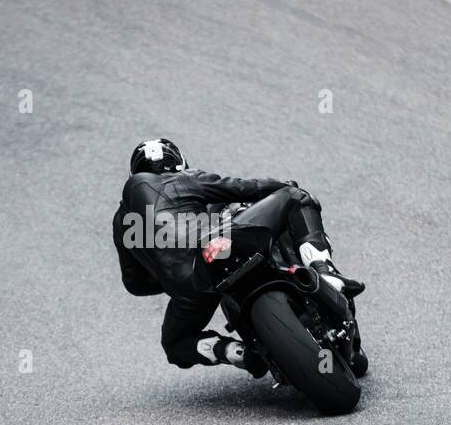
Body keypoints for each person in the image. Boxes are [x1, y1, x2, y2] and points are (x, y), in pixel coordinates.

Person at [113, 138, 364, 375]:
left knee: (175, 344)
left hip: (189, 286)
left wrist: (168, 273)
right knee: (296, 198)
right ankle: (325, 272)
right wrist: (285, 185)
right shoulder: (185, 179)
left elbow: (134, 284)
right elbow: (245, 187)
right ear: (181, 165)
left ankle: (235, 353)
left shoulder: (121, 221)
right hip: (220, 248)